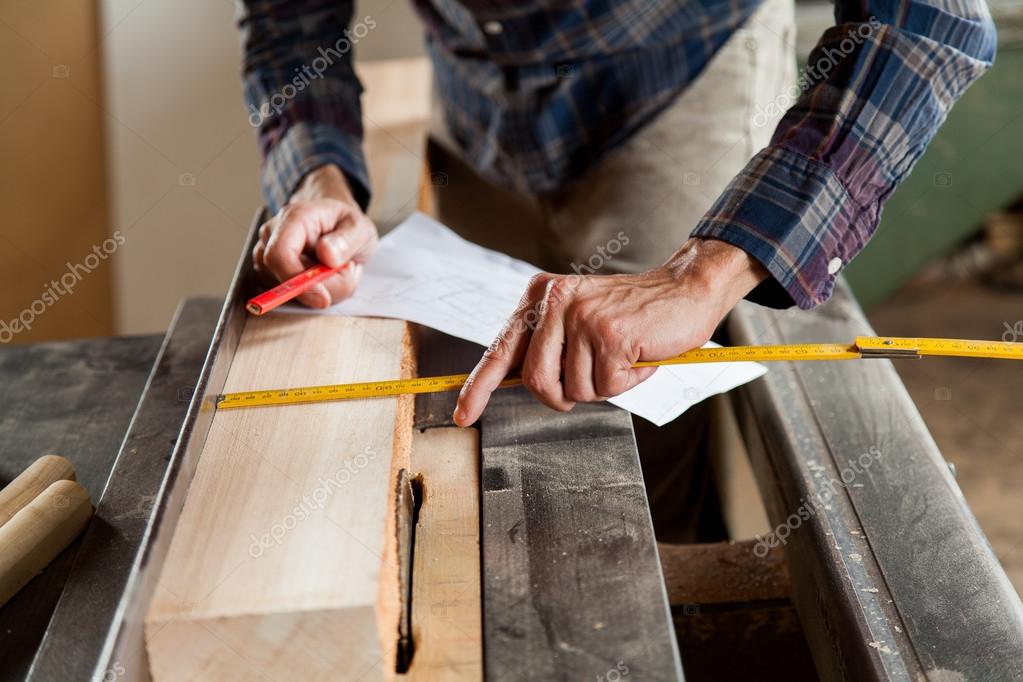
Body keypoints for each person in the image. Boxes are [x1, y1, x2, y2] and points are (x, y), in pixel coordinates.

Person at [238, 0, 995, 538]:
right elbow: (289, 17)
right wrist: (318, 175)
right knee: (494, 426)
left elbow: (930, 19)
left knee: (631, 460)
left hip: (678, 68)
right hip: (481, 95)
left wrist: (699, 274)